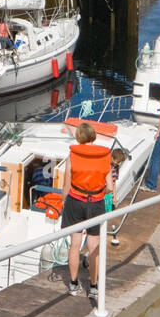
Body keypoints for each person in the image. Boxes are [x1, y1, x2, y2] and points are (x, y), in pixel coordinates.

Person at [62, 122, 113, 302]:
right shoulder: (105, 156)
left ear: (78, 138)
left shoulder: (72, 156)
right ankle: (93, 286)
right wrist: (100, 192)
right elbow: (110, 187)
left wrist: (63, 203)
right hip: (96, 203)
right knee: (94, 247)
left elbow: (67, 185)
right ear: (93, 136)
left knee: (75, 244)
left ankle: (74, 284)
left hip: (75, 201)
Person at [103, 147, 129, 246]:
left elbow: (114, 182)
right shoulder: (105, 164)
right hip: (102, 191)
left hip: (108, 192)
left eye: (118, 164)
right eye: (115, 162)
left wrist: (114, 195)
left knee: (108, 210)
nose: (116, 165)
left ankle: (105, 228)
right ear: (112, 158)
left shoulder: (116, 167)